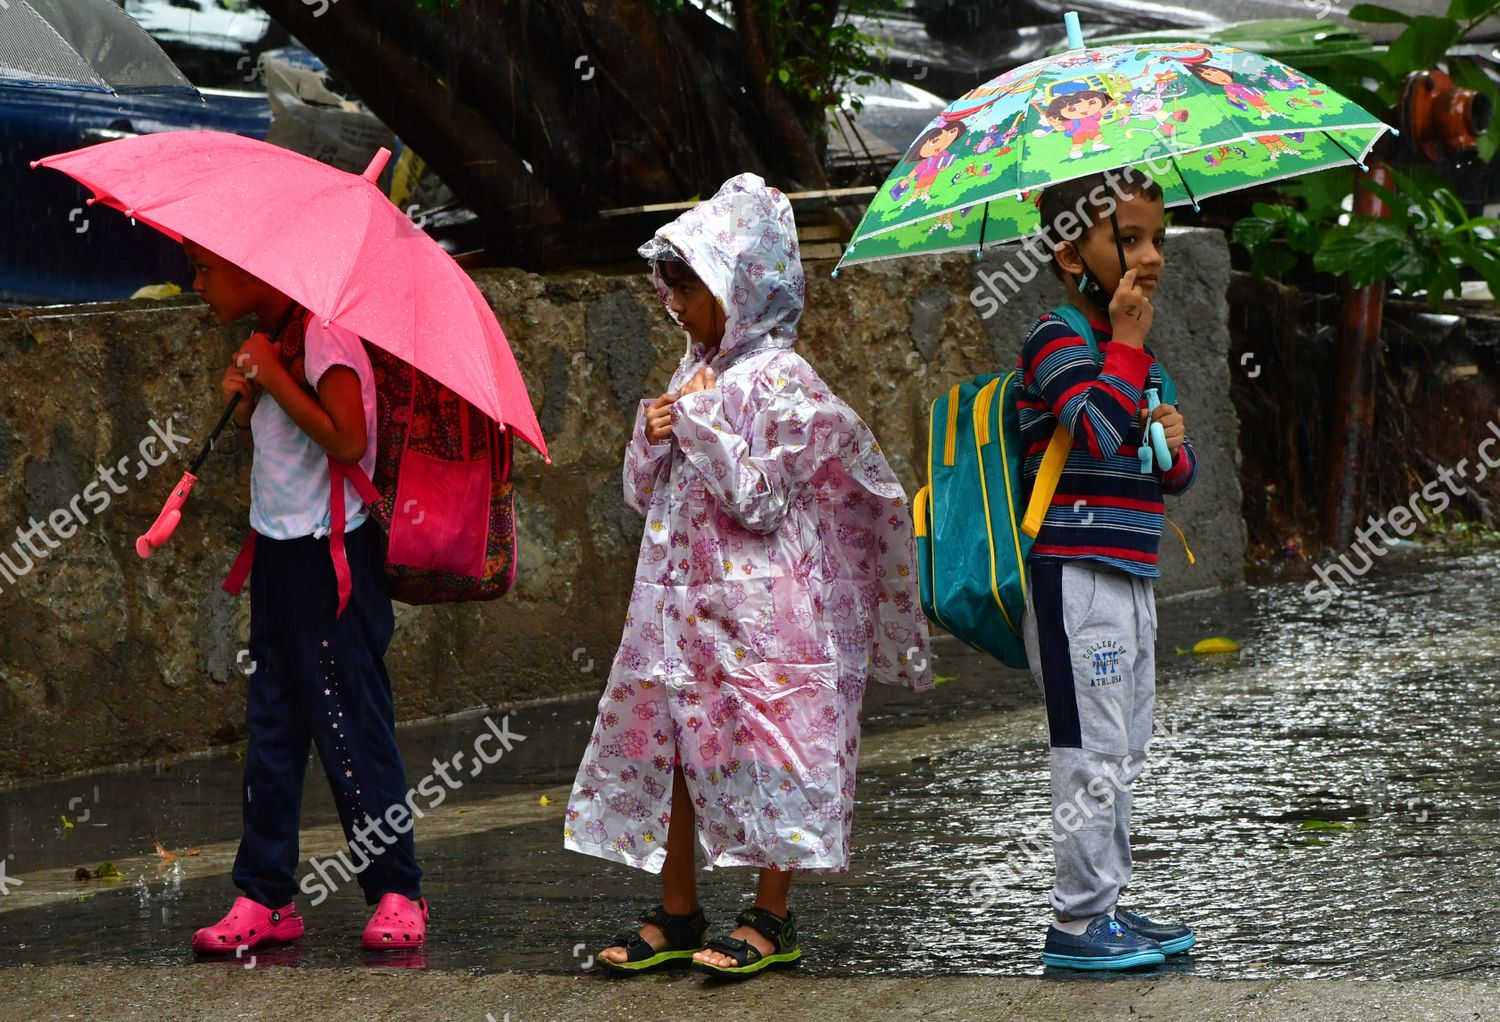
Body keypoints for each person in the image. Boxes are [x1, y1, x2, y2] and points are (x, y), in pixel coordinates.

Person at [563, 173, 932, 979]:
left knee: (769, 748)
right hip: (677, 610)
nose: (683, 308)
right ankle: (679, 907)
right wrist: (652, 434)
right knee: (678, 749)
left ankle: (772, 912)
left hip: (763, 613)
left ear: (746, 288)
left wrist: (697, 424)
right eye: (678, 290)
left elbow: (760, 498)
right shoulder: (688, 372)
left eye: (698, 291)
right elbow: (642, 493)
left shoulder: (783, 381)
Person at [183, 240, 428, 954]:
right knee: (274, 728)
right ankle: (265, 896)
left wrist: (275, 379)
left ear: (255, 266)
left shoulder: (323, 332)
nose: (194, 282)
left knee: (351, 726)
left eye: (204, 268)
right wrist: (255, 382)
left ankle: (397, 886)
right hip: (279, 556)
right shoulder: (278, 337)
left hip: (331, 558)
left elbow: (348, 440)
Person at [1014, 167, 1198, 970]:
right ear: (1068, 254)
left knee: (1122, 745)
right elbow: (1090, 425)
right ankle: (1079, 924)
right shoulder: (1055, 340)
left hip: (1129, 576)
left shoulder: (1139, 356)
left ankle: (1107, 908)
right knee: (1087, 751)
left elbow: (1168, 473)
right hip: (1073, 574)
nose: (1149, 255)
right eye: (1128, 239)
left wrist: (1173, 439)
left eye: (1156, 237)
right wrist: (1123, 351)